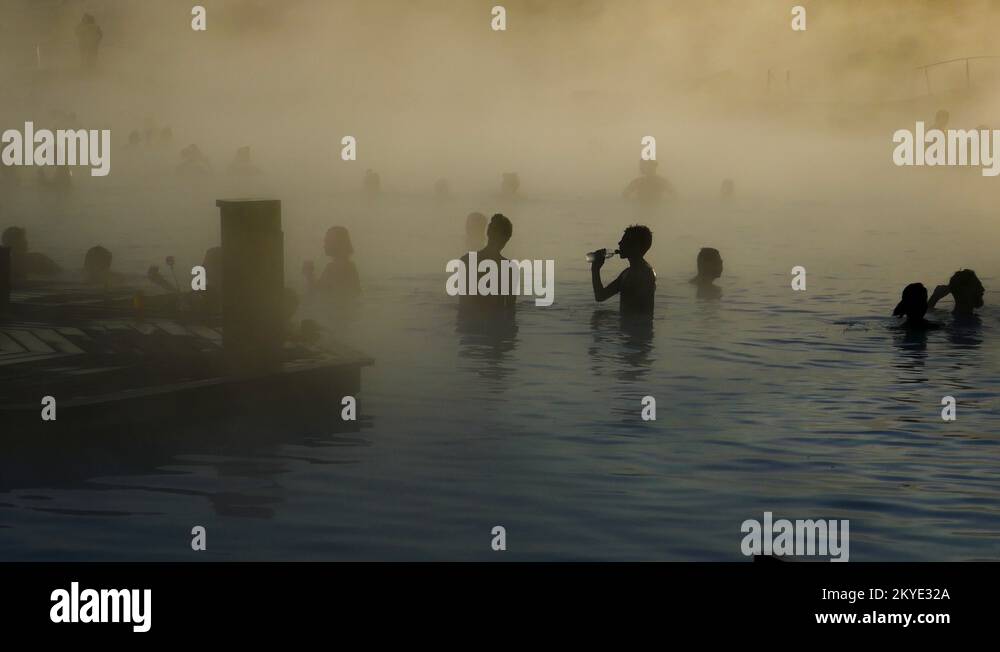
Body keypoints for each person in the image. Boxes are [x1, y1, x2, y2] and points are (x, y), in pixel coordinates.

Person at [459, 213, 515, 318]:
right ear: (507, 239)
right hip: (496, 327)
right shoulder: (509, 268)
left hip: (469, 325)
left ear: (488, 233)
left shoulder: (466, 260)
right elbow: (510, 309)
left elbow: (463, 304)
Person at [591, 225, 656, 316]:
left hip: (635, 329)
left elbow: (639, 314)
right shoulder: (627, 273)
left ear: (636, 246)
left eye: (624, 241)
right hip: (628, 328)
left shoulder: (645, 273)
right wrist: (595, 269)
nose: (619, 243)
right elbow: (600, 296)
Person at [303, 227, 360, 302]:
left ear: (337, 243)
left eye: (327, 241)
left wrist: (309, 273)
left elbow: (318, 291)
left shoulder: (335, 267)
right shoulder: (349, 265)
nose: (324, 245)